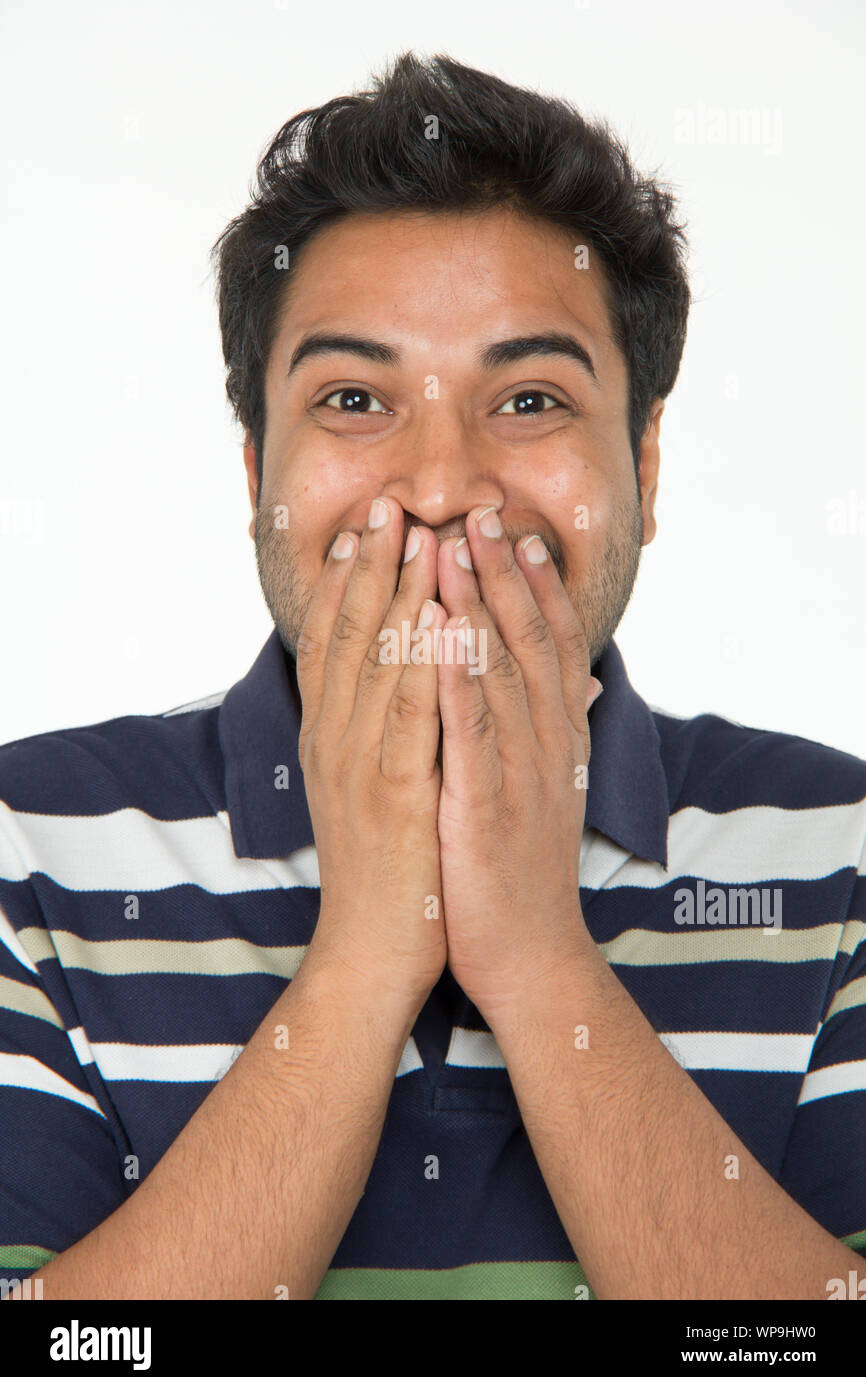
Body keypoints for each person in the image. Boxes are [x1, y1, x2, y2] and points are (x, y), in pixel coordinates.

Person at [1, 51, 864, 1302]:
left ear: (646, 465)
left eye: (525, 398)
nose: (444, 485)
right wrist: (363, 953)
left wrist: (533, 957)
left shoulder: (835, 861)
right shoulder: (32, 853)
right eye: (354, 396)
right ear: (257, 475)